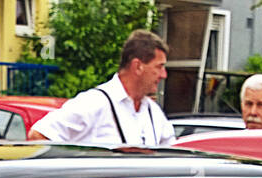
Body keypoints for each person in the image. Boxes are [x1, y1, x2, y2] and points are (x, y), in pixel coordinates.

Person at [28, 29, 174, 148]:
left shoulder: (153, 112)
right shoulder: (94, 103)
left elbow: (172, 155)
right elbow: (38, 135)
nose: (164, 75)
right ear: (138, 66)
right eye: (159, 67)